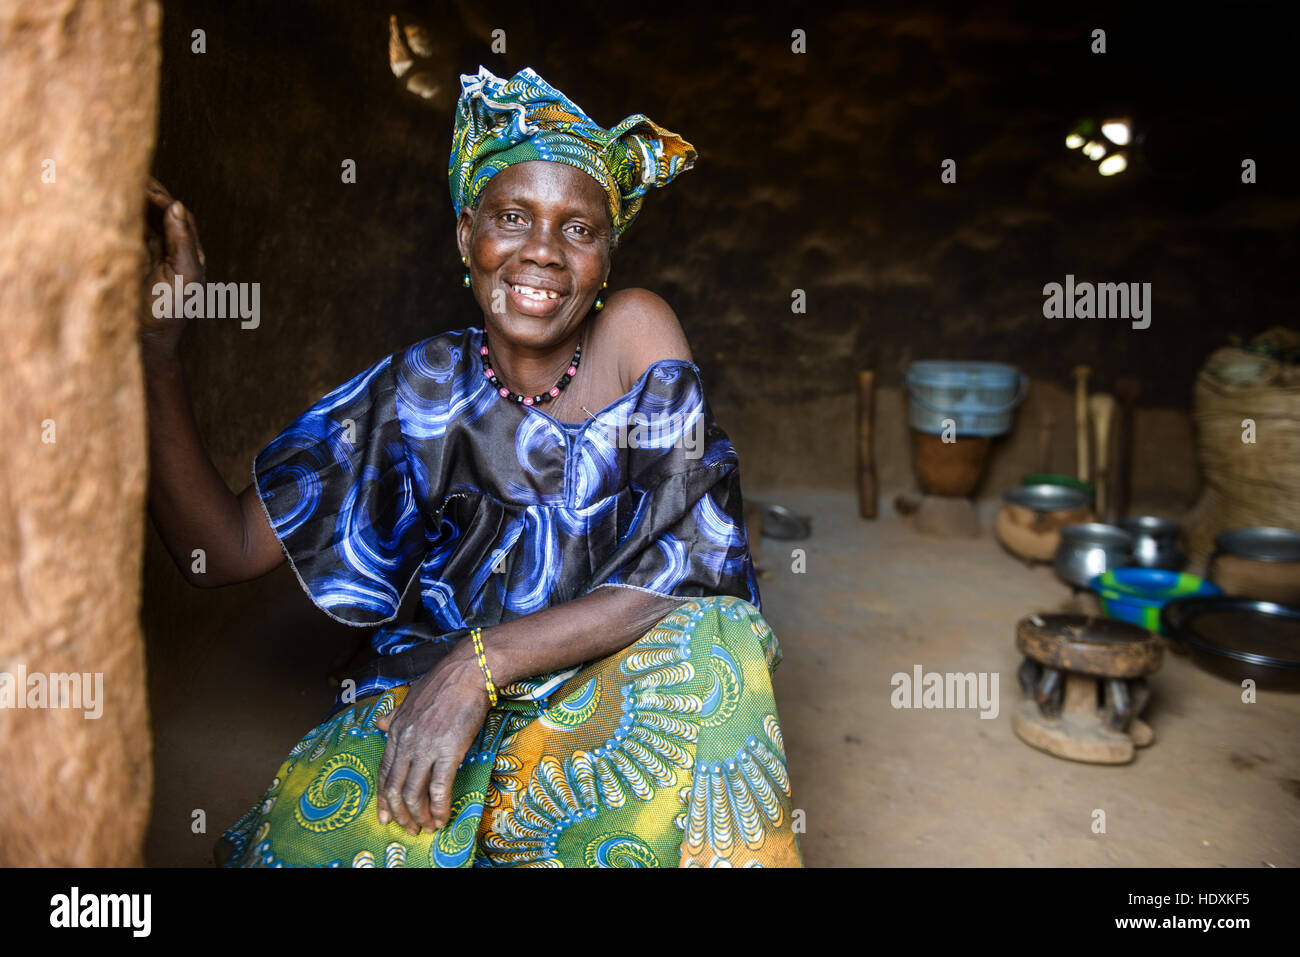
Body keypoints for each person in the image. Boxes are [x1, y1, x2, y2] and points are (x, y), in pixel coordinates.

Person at [141, 65, 802, 868]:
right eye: (514, 216)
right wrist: (157, 350)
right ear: (467, 236)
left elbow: (694, 561)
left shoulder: (636, 333)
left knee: (719, 641)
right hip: (429, 713)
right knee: (316, 844)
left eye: (579, 229)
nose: (543, 253)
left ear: (606, 255)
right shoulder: (419, 390)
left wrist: (479, 662)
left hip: (599, 709)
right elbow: (220, 548)